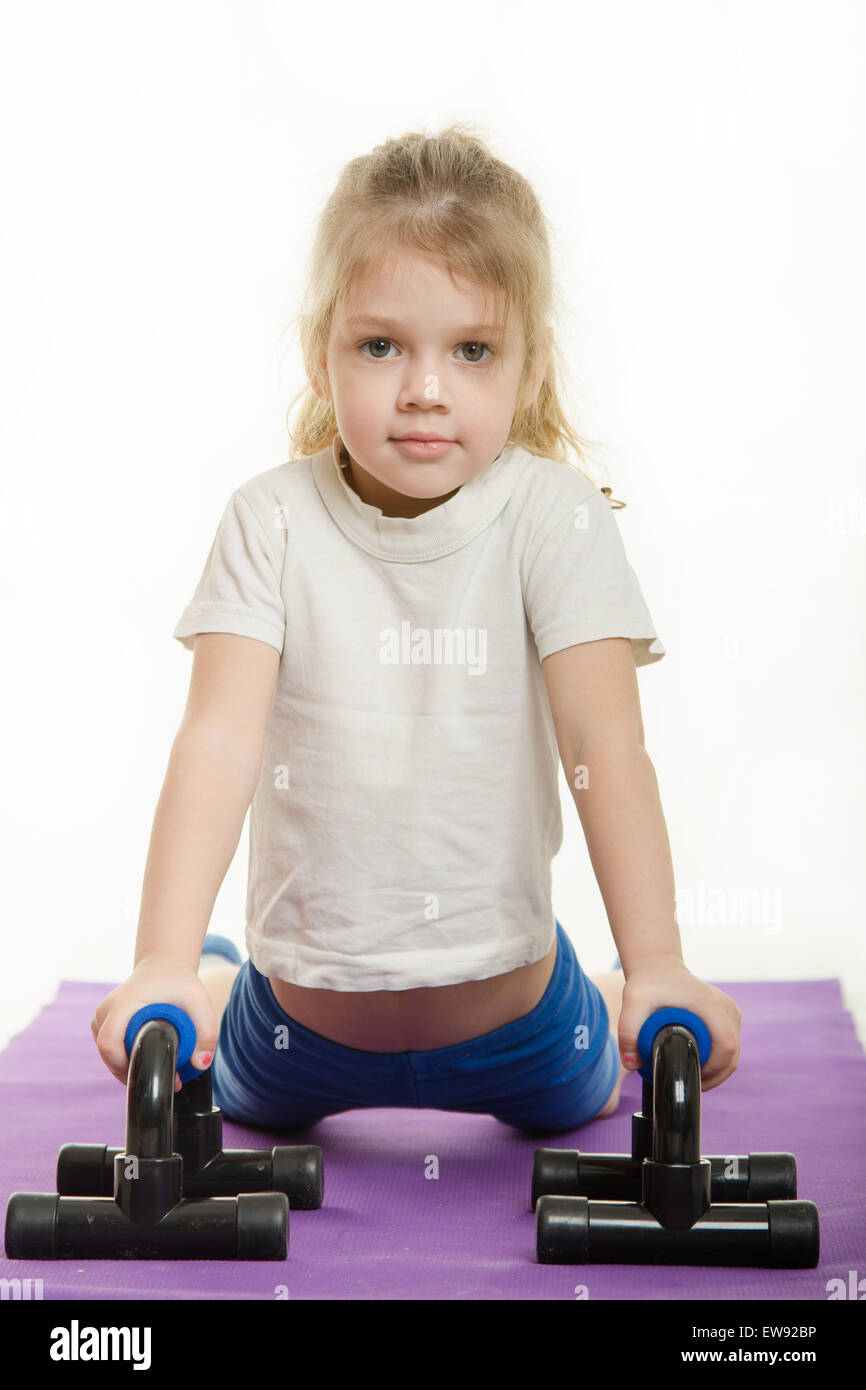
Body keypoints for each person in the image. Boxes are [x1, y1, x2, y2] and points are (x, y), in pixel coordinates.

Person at [91, 125, 741, 1134]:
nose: (424, 389)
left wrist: (656, 963)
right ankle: (213, 979)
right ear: (321, 356)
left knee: (600, 1050)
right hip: (294, 1042)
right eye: (380, 345)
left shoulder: (552, 518)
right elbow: (218, 742)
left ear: (526, 368)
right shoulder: (269, 519)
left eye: (471, 349)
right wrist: (161, 962)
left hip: (523, 1036)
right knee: (214, 1029)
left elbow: (600, 746)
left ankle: (613, 985)